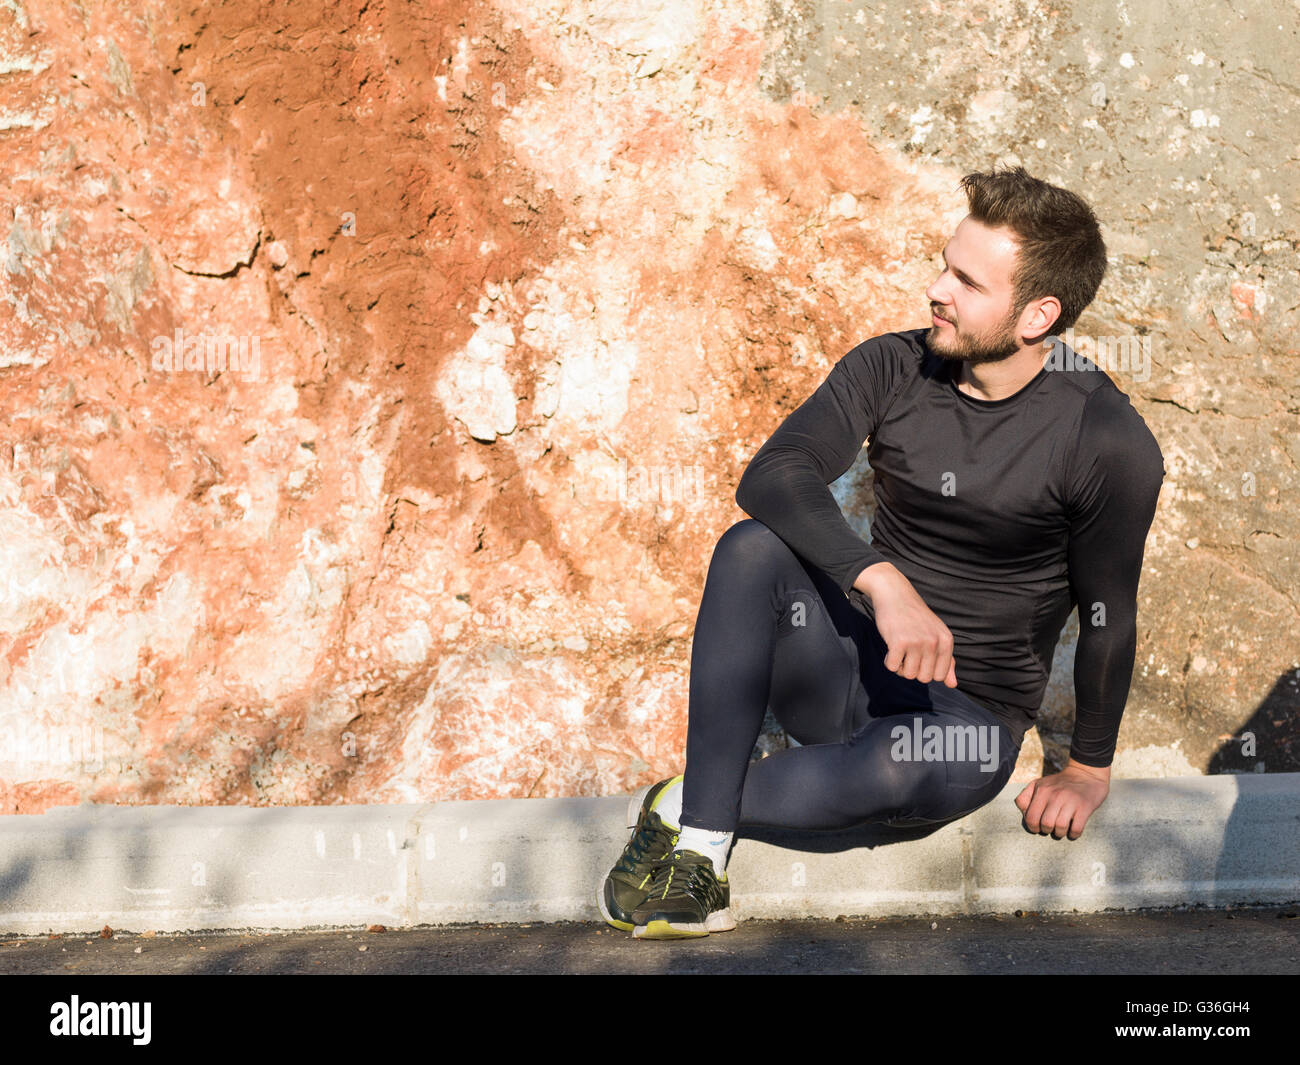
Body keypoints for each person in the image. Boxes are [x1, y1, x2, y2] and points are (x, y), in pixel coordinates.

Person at [599, 165, 1166, 940]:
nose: (937, 289)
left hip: (962, 715)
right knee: (753, 548)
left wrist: (1088, 766)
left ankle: (680, 802)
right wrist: (881, 578)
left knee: (897, 766)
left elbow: (1109, 613)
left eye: (967, 281)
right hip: (845, 665)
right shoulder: (895, 365)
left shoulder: (1104, 437)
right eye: (944, 264)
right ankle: (700, 854)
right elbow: (773, 474)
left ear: (1038, 314)